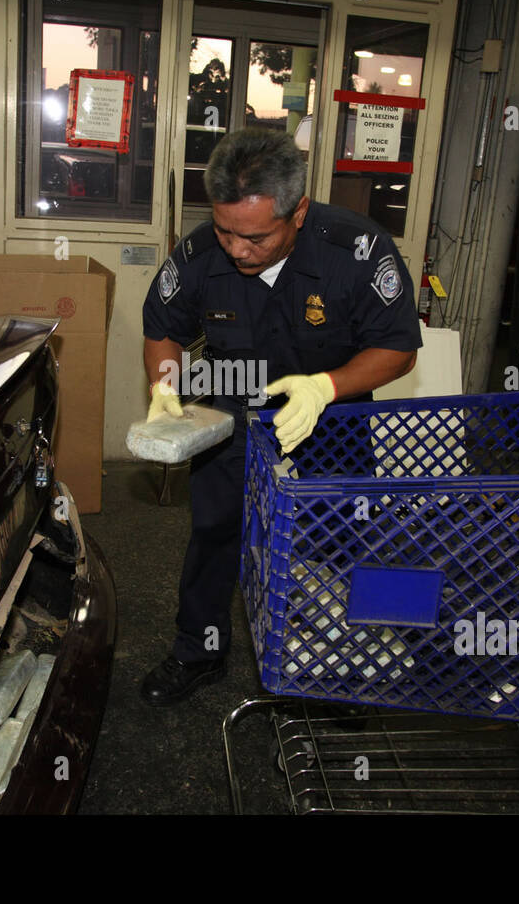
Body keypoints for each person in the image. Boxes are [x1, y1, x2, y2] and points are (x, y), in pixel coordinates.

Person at [139, 128, 421, 705]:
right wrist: (166, 387)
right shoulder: (199, 253)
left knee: (334, 544)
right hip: (231, 417)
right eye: (225, 231)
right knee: (216, 536)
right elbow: (163, 327)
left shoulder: (356, 252)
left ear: (299, 213)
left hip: (328, 419)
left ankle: (337, 667)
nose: (237, 249)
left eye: (255, 237)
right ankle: (199, 650)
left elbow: (398, 348)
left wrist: (326, 386)